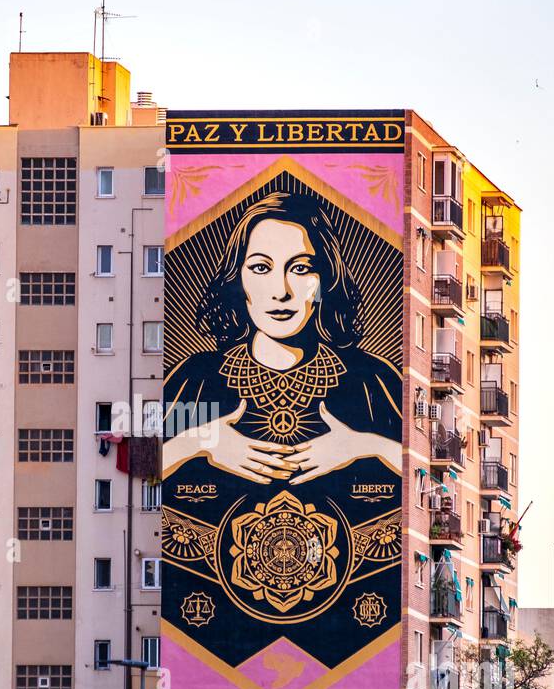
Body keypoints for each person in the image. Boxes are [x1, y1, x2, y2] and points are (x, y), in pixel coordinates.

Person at [164, 190, 402, 484]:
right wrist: (201, 443)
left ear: (324, 280)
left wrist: (366, 445)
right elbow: (136, 467)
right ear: (238, 279)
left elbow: (427, 471)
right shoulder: (197, 377)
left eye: (301, 268)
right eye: (261, 268)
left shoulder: (372, 379)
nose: (281, 290)